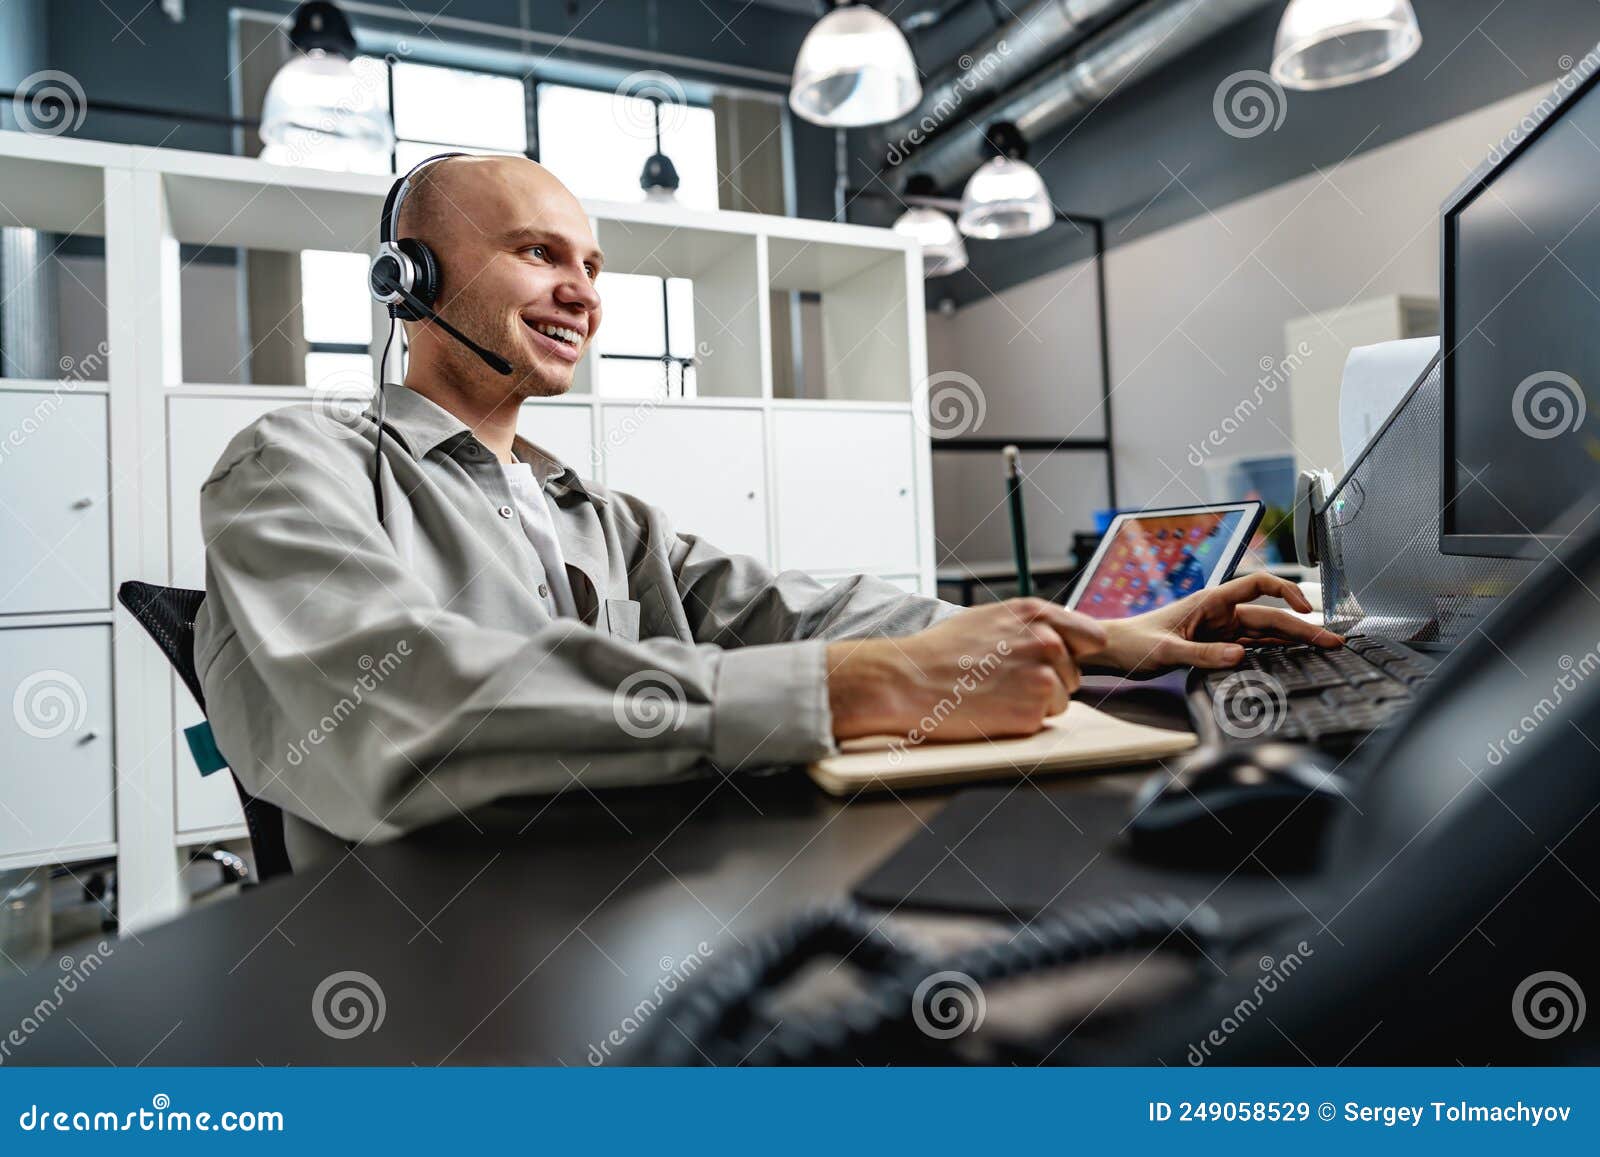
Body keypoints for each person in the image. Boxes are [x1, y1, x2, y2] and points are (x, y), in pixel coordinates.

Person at [194, 155, 1338, 868]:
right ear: (410, 280)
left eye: (592, 263)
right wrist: (861, 685)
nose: (584, 292)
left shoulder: (589, 508)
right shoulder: (294, 460)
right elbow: (398, 699)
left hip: (624, 884)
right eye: (537, 253)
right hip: (422, 949)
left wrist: (1091, 636)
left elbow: (787, 609)